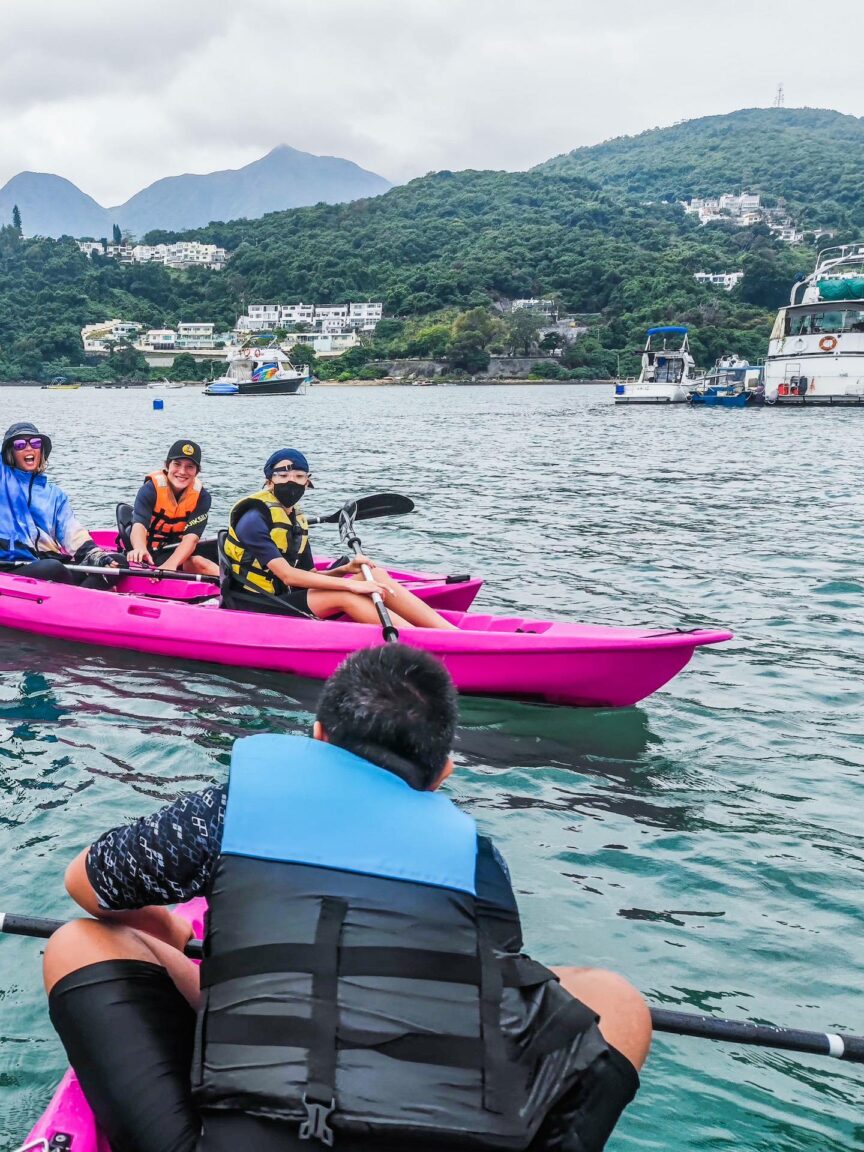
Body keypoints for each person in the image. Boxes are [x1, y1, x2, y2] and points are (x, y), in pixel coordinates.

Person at [42, 645, 650, 1152]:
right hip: (437, 1127)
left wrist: (173, 938)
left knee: (77, 939)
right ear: (442, 774)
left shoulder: (227, 813)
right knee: (613, 999)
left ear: (317, 736)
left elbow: (86, 885)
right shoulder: (477, 863)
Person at [220, 448, 456, 628]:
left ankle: (448, 633)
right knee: (346, 593)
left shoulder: (295, 519)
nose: (291, 481)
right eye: (283, 475)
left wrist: (346, 571)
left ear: (307, 481)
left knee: (374, 574)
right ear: (269, 481)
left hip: (284, 597)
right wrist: (351, 585)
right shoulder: (253, 517)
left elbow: (310, 577)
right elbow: (287, 574)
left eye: (299, 475)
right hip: (255, 603)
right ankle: (423, 641)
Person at [0, 351, 121, 584]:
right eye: (20, 444)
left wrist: (97, 557)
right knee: (52, 568)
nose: (29, 448)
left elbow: (72, 532)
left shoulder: (55, 495)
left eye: (35, 443)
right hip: (16, 568)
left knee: (117, 562)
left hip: (52, 563)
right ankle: (82, 596)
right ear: (10, 453)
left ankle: (86, 598)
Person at [120, 439, 218, 576]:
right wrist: (140, 549)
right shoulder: (150, 490)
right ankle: (240, 590)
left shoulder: (203, 497)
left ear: (197, 472)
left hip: (178, 549)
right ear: (167, 466)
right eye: (177, 464)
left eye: (190, 467)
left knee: (218, 548)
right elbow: (139, 525)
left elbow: (192, 538)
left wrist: (171, 564)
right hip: (150, 552)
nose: (182, 471)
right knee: (198, 563)